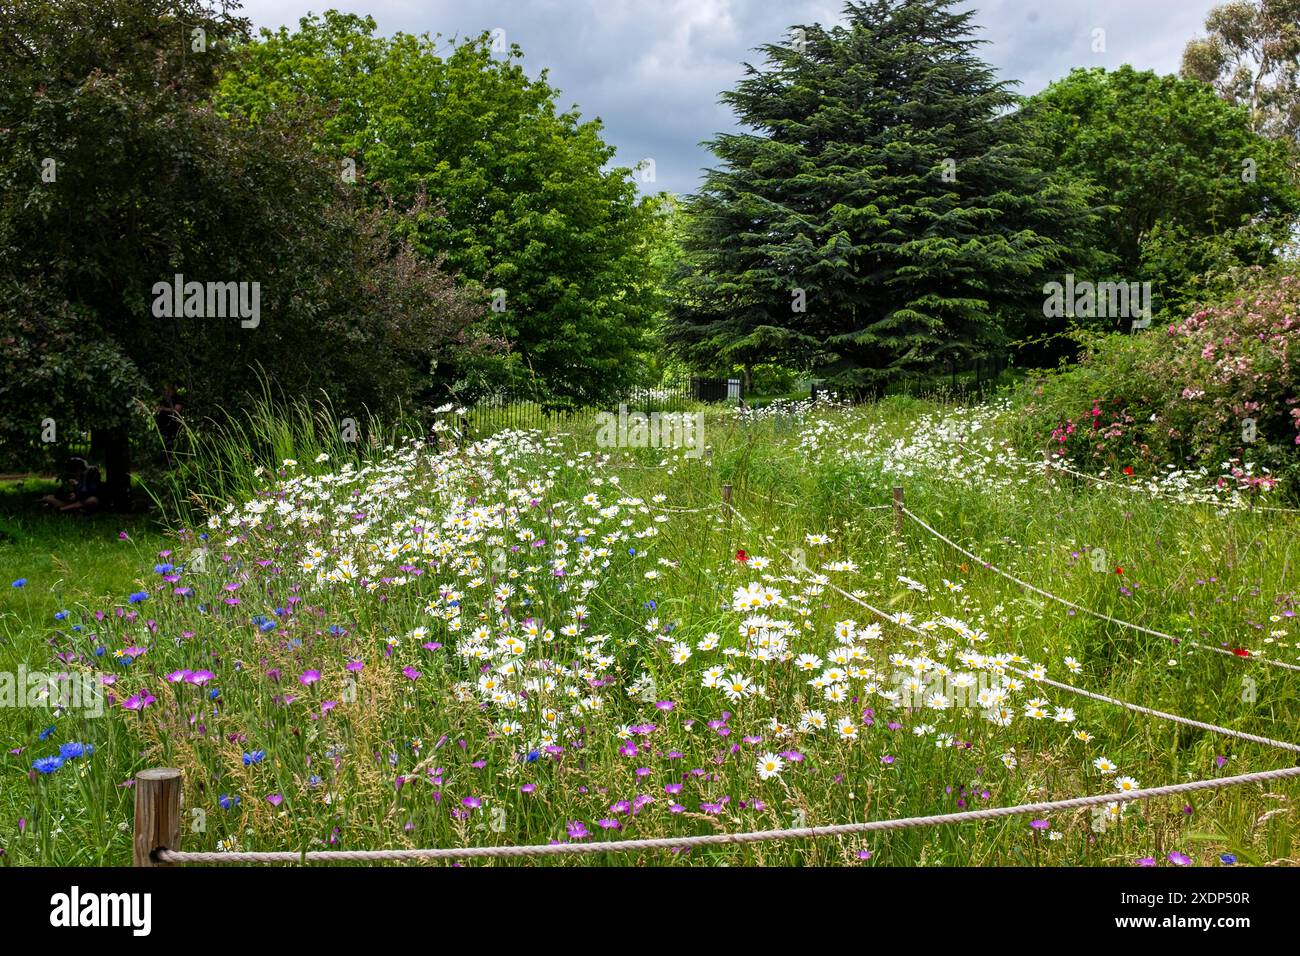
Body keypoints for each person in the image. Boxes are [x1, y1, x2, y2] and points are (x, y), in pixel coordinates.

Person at [155, 384, 183, 464]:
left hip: (172, 423)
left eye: (168, 390)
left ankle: (171, 460)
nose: (166, 392)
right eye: (165, 390)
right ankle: (163, 460)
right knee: (163, 441)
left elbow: (177, 410)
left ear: (173, 389)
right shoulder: (164, 399)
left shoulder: (178, 398)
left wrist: (164, 409)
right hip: (162, 424)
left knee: (170, 442)